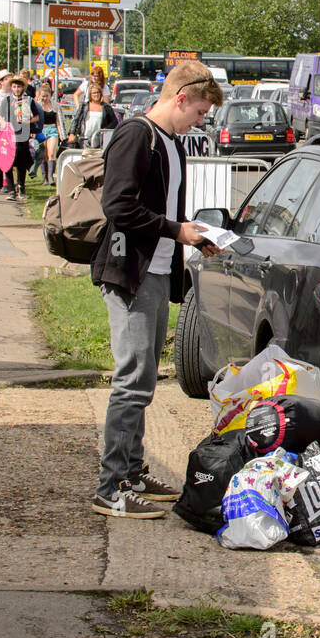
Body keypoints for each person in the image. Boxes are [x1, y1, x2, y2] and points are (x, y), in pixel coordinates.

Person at [89, 63, 225, 518]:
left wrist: (192, 236)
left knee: (144, 379)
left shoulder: (171, 143)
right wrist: (176, 230)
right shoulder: (136, 135)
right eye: (201, 111)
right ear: (181, 98)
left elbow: (163, 212)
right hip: (131, 272)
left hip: (156, 272)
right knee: (132, 381)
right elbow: (117, 205)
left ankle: (130, 471)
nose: (201, 121)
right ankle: (111, 488)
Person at [0, 77, 40, 200]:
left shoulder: (28, 100)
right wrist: (2, 122)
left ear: (23, 88)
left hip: (23, 135)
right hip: (9, 135)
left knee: (21, 163)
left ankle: (21, 186)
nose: (16, 89)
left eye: (19, 87)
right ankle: (11, 190)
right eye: (14, 87)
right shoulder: (7, 100)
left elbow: (36, 116)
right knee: (8, 162)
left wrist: (29, 120)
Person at [69, 84, 119, 148]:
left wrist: (105, 129)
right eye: (94, 93)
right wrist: (71, 133)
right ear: (90, 94)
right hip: (84, 139)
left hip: (99, 140)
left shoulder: (106, 107)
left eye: (98, 92)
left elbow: (115, 122)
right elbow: (76, 120)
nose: (96, 95)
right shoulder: (84, 106)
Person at [34, 84, 64, 184]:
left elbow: (58, 121)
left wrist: (61, 134)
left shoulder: (55, 106)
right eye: (43, 96)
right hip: (41, 130)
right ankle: (45, 178)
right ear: (39, 95)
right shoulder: (37, 105)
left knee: (51, 153)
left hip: (52, 130)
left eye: (47, 96)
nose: (45, 98)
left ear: (50, 95)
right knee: (43, 155)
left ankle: (51, 177)